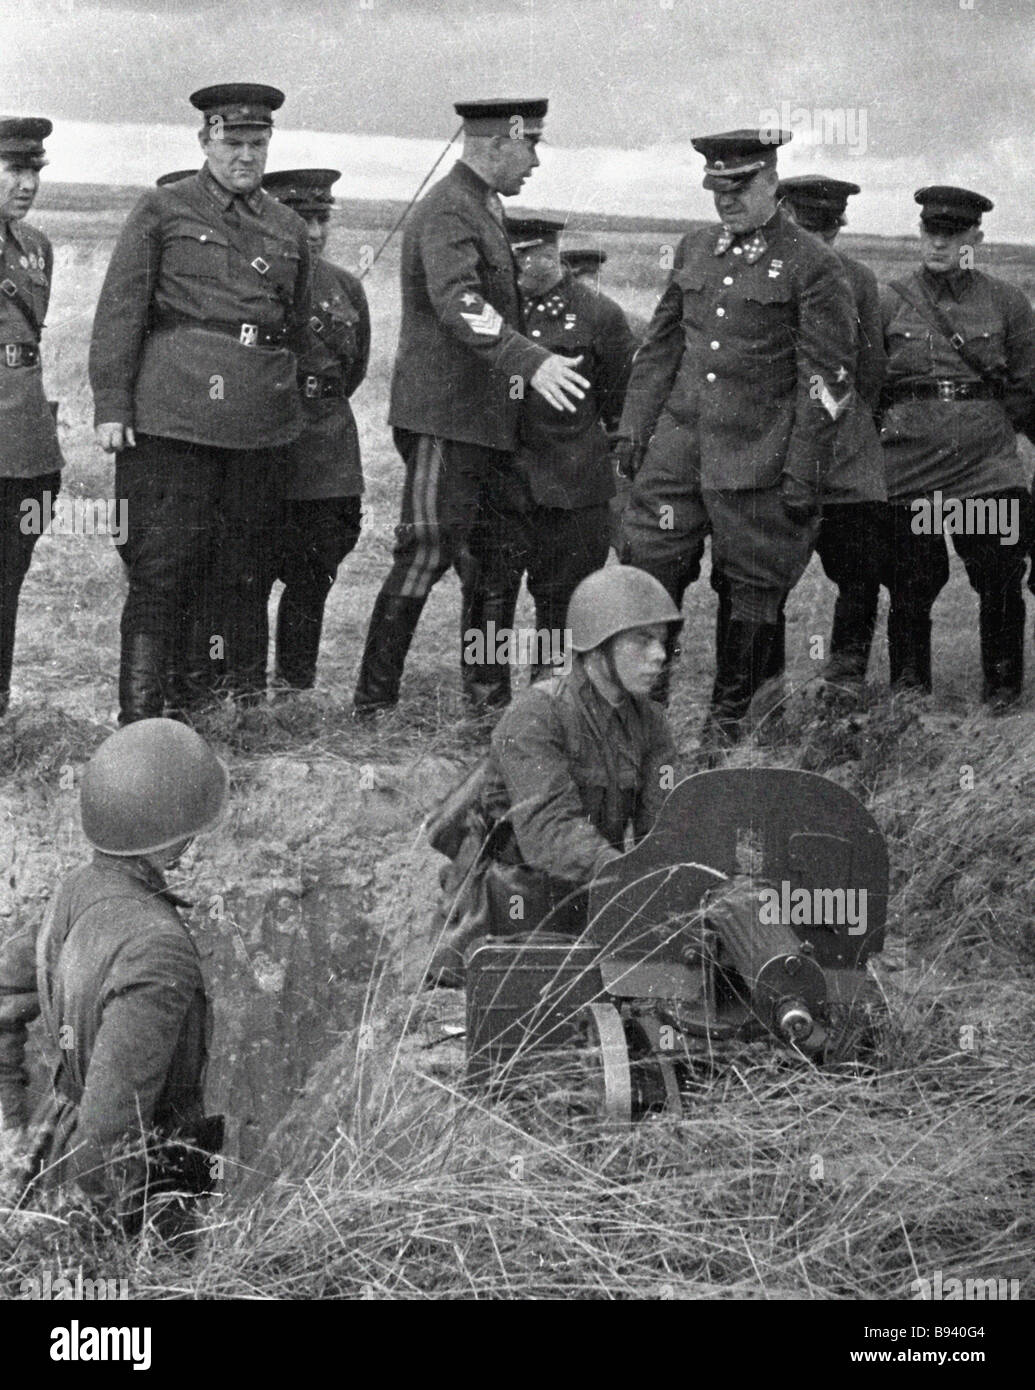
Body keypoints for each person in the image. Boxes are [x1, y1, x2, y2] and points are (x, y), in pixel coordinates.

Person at [613, 128, 856, 746]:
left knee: (750, 595)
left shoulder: (814, 265)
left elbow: (827, 383)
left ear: (772, 181)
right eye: (716, 188)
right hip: (678, 455)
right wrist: (636, 428)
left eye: (740, 186)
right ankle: (643, 727)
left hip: (757, 461)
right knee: (648, 573)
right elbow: (661, 346)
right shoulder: (694, 249)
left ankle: (727, 732)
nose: (726, 200)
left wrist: (803, 474)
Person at [350, 97, 590, 718]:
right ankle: (373, 706)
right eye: (529, 146)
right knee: (426, 551)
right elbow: (461, 303)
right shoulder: (448, 210)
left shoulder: (483, 206)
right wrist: (531, 361)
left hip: (484, 426)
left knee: (492, 562)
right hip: (444, 421)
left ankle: (487, 709)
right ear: (494, 144)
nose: (535, 160)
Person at [88, 84, 312, 724]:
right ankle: (140, 721)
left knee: (240, 571)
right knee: (164, 568)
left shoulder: (287, 227)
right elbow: (121, 310)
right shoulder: (163, 209)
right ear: (205, 140)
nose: (246, 155)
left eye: (258, 143)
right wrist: (113, 404)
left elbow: (292, 326)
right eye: (233, 141)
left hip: (257, 427)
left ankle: (213, 709)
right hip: (175, 418)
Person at [0, 719, 228, 1236]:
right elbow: (112, 1127)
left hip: (57, 1145)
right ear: (173, 845)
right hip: (139, 1186)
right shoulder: (158, 948)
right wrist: (95, 1234)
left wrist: (11, 1130)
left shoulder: (73, 892)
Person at [425, 565, 680, 986]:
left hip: (593, 903)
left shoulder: (651, 723)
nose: (660, 655)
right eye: (642, 639)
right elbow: (549, 834)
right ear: (598, 648)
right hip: (509, 918)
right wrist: (633, 881)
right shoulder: (536, 715)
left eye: (662, 640)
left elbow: (663, 824)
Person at [716, 174, 886, 710]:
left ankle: (796, 700)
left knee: (788, 582)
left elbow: (866, 374)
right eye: (816, 226)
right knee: (826, 583)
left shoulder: (845, 276)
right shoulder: (849, 275)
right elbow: (868, 374)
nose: (820, 238)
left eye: (824, 227)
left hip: (805, 456)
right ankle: (809, 699)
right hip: (815, 455)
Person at [462, 213, 634, 691]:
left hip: (572, 487)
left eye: (526, 256)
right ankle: (484, 704)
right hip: (497, 484)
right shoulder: (489, 312)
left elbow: (622, 407)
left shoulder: (600, 315)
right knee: (489, 599)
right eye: (507, 259)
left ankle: (550, 700)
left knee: (560, 606)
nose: (515, 269)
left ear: (552, 252)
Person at [878, 186, 1035, 708]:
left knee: (999, 577)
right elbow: (868, 385)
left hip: (984, 472)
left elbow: (1026, 385)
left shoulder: (1008, 303)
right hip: (908, 472)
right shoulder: (889, 300)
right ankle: (908, 704)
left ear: (976, 239)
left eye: (952, 234)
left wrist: (992, 431)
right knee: (911, 585)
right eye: (930, 232)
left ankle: (1003, 698)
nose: (938, 243)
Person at [262, 168, 369, 690]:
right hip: (267, 445)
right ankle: (237, 686)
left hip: (328, 456)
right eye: (301, 218)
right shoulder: (254, 278)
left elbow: (353, 371)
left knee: (315, 574)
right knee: (251, 575)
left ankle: (295, 686)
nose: (314, 231)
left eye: (321, 218)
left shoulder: (346, 287)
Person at [0, 117, 64, 719]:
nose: (28, 184)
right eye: (15, 170)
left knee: (8, 578)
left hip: (23, 442)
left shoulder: (36, 248)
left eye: (34, 171)